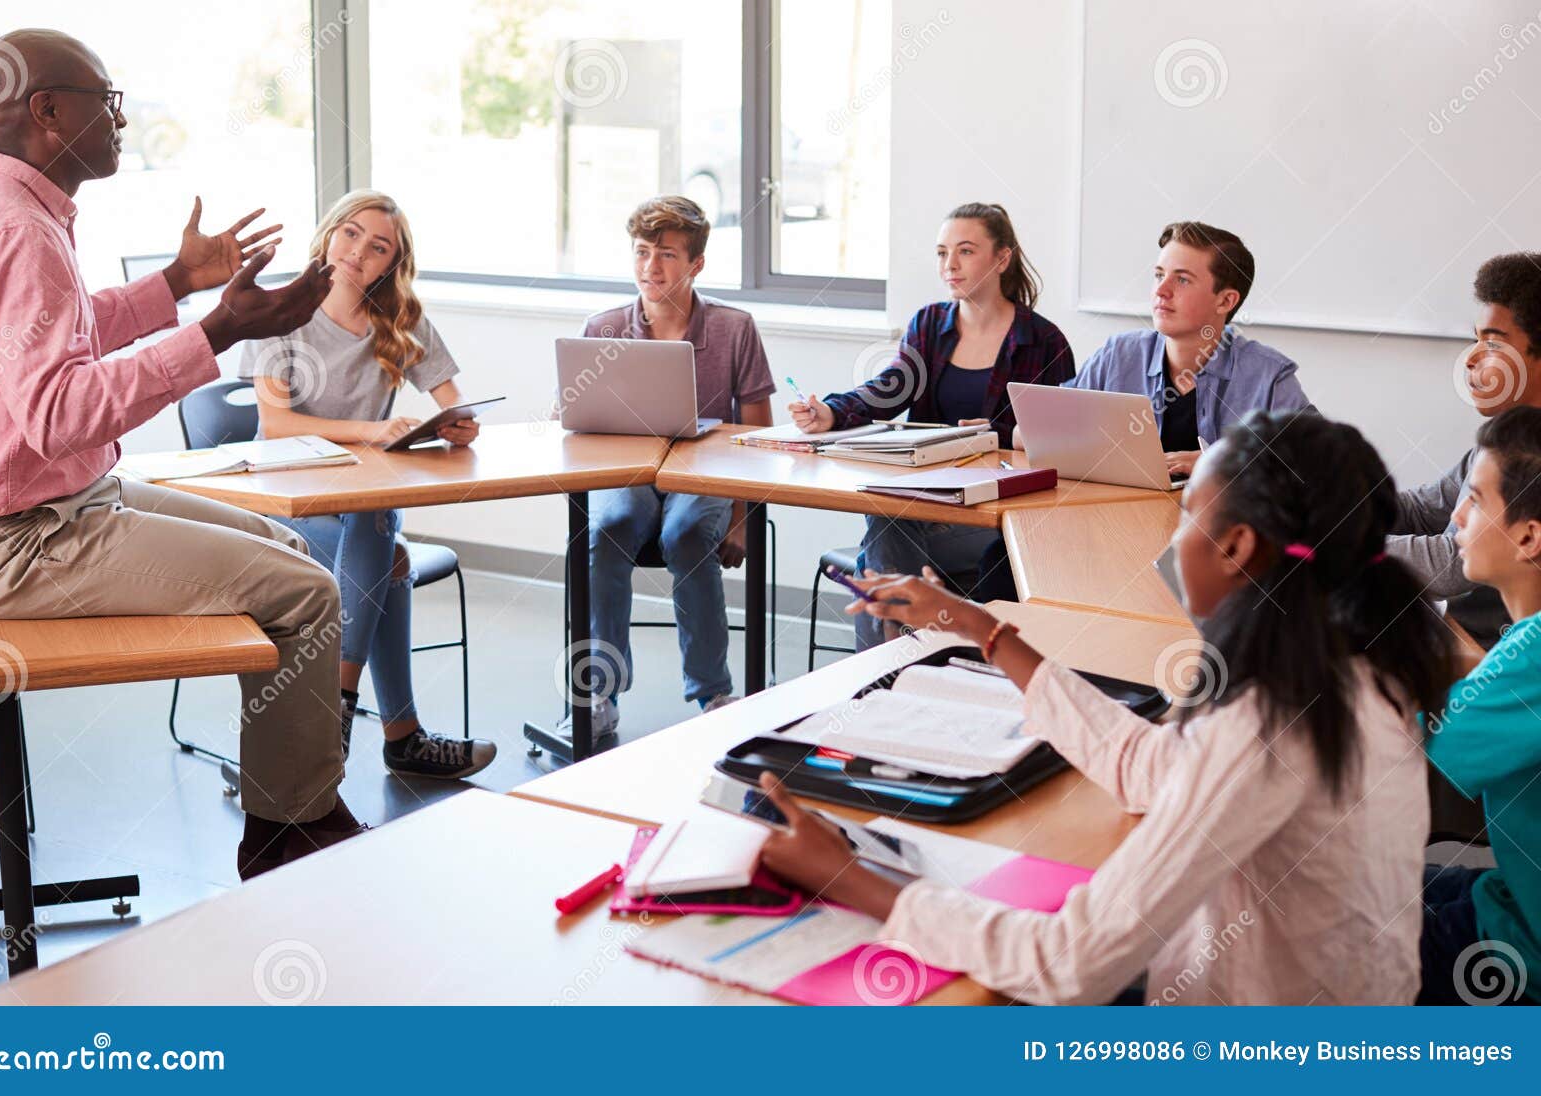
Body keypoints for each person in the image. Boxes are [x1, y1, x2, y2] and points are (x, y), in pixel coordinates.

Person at [756, 410, 1457, 1004]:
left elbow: (1069, 965)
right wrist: (981, 629)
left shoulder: (1269, 723)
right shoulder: (1359, 675)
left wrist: (855, 881)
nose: (1173, 542)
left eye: (1187, 516)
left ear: (1237, 546)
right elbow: (1149, 767)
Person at [0, 29, 363, 882]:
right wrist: (219, 330)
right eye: (107, 100)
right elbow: (57, 413)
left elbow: (58, 336)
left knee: (289, 550)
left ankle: (289, 806)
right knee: (309, 592)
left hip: (56, 505)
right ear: (46, 110)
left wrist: (176, 283)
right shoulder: (15, 230)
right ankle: (290, 833)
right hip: (13, 544)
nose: (121, 119)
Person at [243, 190, 496, 780]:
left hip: (362, 504)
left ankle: (338, 708)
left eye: (378, 247)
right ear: (330, 233)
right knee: (387, 555)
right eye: (351, 233)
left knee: (376, 525)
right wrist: (372, 431)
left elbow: (456, 400)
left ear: (391, 264)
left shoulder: (400, 318)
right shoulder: (280, 311)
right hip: (287, 501)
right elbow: (276, 424)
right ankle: (399, 734)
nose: (359, 252)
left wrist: (459, 424)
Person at [787, 203, 1074, 649]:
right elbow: (890, 388)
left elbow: (1059, 439)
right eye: (942, 252)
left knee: (879, 550)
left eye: (965, 251)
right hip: (924, 505)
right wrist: (832, 412)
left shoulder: (1043, 341)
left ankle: (889, 668)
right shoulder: (929, 324)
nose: (949, 265)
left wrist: (994, 434)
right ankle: (910, 664)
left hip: (996, 519)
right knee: (887, 527)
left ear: (1002, 258)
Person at [565, 196, 775, 743]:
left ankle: (713, 694)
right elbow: (583, 432)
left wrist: (741, 518)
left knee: (686, 534)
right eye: (641, 252)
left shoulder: (734, 328)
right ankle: (600, 695)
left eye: (666, 255)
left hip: (704, 479)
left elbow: (757, 436)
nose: (650, 268)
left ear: (696, 264)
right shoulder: (603, 328)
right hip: (629, 478)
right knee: (606, 530)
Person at [1417, 406, 1541, 1005]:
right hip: (1511, 896)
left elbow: (1406, 748)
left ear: (1529, 537)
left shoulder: (1532, 659)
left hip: (1521, 957)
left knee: (1317, 919)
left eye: (1474, 500)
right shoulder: (1526, 645)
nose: (1456, 518)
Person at [1044, 221, 1310, 477]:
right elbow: (1043, 430)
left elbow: (1317, 465)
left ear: (1225, 301)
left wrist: (1224, 462)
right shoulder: (1117, 355)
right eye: (1159, 275)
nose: (1161, 290)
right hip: (1122, 506)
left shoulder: (1270, 377)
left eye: (1182, 280)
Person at [1390, 252, 1541, 650]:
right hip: (1470, 636)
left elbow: (1452, 565)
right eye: (1475, 341)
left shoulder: (1529, 457)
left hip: (1497, 653)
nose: (1471, 359)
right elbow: (1422, 509)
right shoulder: (1502, 437)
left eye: (1492, 343)